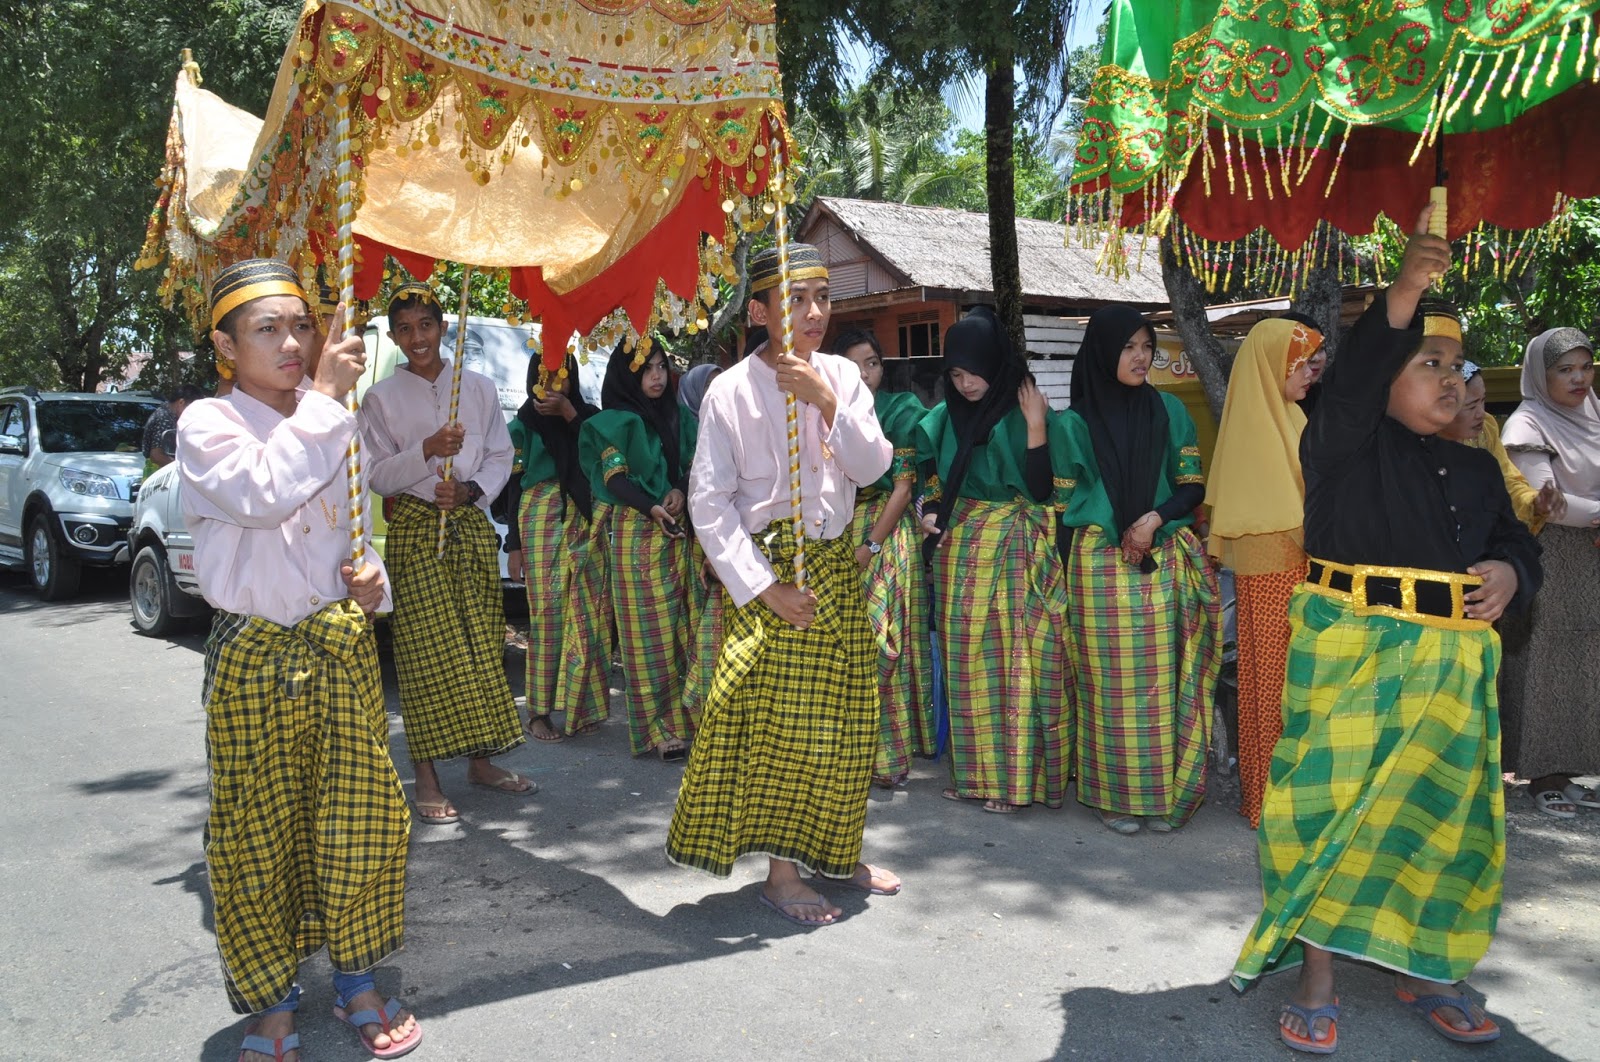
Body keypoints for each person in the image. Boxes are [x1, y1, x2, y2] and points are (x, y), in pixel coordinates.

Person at [1231, 211, 1540, 1053]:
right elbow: (1356, 379)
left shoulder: (1477, 468)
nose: (1451, 379)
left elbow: (1517, 544)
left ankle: (1427, 966)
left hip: (1453, 670)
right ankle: (1317, 976)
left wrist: (1511, 572)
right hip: (1351, 652)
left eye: (1456, 366)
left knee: (1438, 821)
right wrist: (1404, 291)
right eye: (1427, 364)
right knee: (1325, 811)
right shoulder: (1343, 445)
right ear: (1382, 382)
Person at [179, 259, 420, 1061]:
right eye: (268, 329)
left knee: (362, 819)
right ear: (226, 346)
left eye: (301, 326)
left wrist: (369, 581)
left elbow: (351, 538)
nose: (292, 343)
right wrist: (324, 399)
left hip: (337, 643)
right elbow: (262, 494)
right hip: (253, 652)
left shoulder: (330, 421)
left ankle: (357, 980)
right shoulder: (208, 425)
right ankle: (271, 1001)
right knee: (256, 834)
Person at [666, 243, 900, 926]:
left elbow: (873, 468)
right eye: (796, 299)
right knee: (783, 723)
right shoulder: (729, 390)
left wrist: (826, 401)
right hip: (771, 569)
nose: (814, 313)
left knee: (848, 715)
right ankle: (783, 873)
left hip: (834, 564)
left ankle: (836, 851)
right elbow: (709, 504)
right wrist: (767, 589)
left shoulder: (841, 377)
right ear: (760, 311)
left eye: (823, 298)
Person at [360, 282, 530, 826]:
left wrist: (472, 490)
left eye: (426, 325)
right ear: (394, 336)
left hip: (470, 529)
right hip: (416, 532)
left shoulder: (476, 388)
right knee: (423, 655)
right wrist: (427, 450)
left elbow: (501, 454)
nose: (417, 338)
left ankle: (481, 762)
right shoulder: (380, 398)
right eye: (405, 329)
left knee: (479, 647)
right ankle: (427, 776)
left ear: (443, 328)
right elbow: (376, 476)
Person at [1059, 306, 1221, 834]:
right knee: (1107, 685)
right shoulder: (1073, 424)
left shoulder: (1169, 410)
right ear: (1104, 352)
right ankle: (1114, 797)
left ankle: (1163, 794)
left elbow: (1192, 485)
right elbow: (1062, 510)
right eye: (1129, 347)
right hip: (1097, 567)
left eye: (1147, 347)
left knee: (1161, 683)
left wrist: (1153, 519)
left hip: (1160, 558)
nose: (1141, 357)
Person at [918, 310, 1071, 813]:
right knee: (966, 666)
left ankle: (1013, 783)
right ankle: (974, 777)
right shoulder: (944, 418)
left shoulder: (1025, 409)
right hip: (960, 554)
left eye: (975, 373)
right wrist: (930, 510)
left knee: (1016, 663)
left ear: (996, 364)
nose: (966, 384)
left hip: (1017, 549)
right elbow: (931, 480)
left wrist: (1035, 427)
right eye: (956, 374)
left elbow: (1043, 489)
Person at [1204, 319, 1320, 828]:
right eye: (1302, 363)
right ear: (1274, 365)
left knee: (1296, 688)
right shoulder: (1257, 428)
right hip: (1276, 574)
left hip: (1299, 573)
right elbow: (1286, 513)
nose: (1311, 372)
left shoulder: (1290, 416)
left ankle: (1290, 799)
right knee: (1273, 689)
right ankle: (1271, 801)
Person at [578, 344, 698, 760]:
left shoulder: (679, 416)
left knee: (685, 629)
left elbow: (691, 465)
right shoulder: (616, 422)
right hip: (637, 535)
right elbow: (615, 479)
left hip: (679, 532)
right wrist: (652, 507)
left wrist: (679, 489)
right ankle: (657, 730)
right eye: (646, 369)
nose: (657, 376)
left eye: (661, 367)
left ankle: (688, 720)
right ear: (627, 376)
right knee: (648, 638)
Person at [1499, 328, 1600, 819]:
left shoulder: (1593, 413)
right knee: (1545, 661)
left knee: (1585, 661)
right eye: (1565, 369)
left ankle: (1570, 769)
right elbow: (1547, 502)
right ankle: (1541, 775)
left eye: (1586, 366)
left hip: (1592, 555)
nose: (1579, 378)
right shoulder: (1527, 423)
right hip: (1552, 555)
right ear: (1542, 375)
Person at [839, 330, 935, 788]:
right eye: (854, 365)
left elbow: (902, 488)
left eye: (873, 363)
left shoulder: (900, 411)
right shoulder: (825, 413)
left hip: (886, 530)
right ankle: (852, 747)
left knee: (883, 637)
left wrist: (870, 546)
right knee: (847, 642)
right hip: (839, 530)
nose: (865, 374)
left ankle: (889, 753)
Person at [505, 352, 608, 742]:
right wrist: (514, 546)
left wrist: (569, 413)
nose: (551, 385)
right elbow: (514, 487)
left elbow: (602, 456)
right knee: (547, 614)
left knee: (587, 611)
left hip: (585, 517)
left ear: (573, 379)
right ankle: (538, 712)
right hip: (539, 516)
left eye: (560, 376)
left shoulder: (589, 418)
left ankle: (583, 707)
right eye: (543, 377)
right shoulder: (522, 425)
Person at [1439, 361, 1563, 533]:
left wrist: (1534, 502)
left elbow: (1507, 481)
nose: (1481, 413)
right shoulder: (1415, 447)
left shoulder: (1486, 430)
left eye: (1483, 401)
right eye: (1471, 406)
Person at [679, 363, 726, 725]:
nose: (714, 394)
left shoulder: (730, 426)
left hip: (725, 542)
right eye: (707, 388)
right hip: (692, 541)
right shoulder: (680, 428)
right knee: (696, 625)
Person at [144, 384, 206, 477]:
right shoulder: (165, 417)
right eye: (192, 409)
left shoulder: (167, 413)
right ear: (181, 402)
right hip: (159, 476)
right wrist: (185, 470)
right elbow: (156, 456)